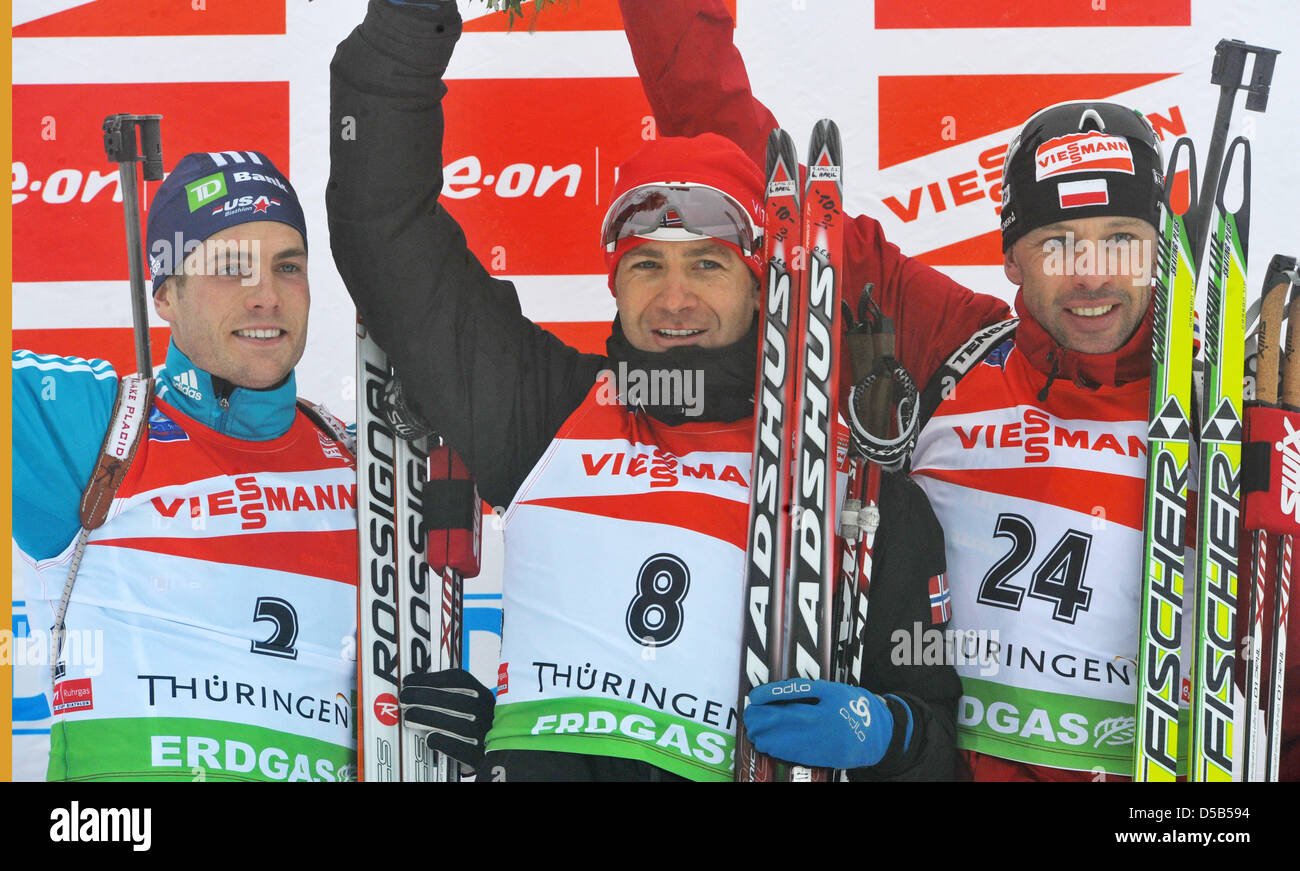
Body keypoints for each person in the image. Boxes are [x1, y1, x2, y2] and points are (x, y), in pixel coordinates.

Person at [329, 0, 961, 781]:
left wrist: (888, 736)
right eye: (646, 265)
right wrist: (407, 20)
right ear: (615, 285)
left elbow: (940, 746)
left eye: (707, 263)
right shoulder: (543, 409)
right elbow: (382, 228)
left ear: (761, 282)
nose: (674, 299)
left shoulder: (853, 488)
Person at [616, 0, 1177, 781]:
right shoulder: (950, 343)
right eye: (1056, 243)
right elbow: (782, 205)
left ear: (1167, 253)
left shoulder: (1218, 408)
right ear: (1011, 257)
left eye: (1122, 241)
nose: (1091, 276)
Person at [12, 151, 359, 781]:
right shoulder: (96, 428)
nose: (266, 298)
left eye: (288, 268)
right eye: (231, 269)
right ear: (165, 294)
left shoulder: (367, 468)